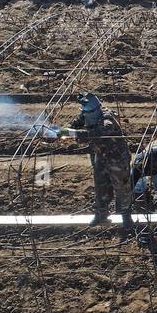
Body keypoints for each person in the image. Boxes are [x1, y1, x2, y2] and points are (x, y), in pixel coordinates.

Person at [57, 92, 133, 226]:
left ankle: (126, 216)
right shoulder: (86, 114)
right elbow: (76, 123)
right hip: (100, 156)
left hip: (116, 158)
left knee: (121, 186)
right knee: (100, 186)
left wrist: (73, 133)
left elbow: (97, 133)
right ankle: (101, 214)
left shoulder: (107, 119)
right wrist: (63, 130)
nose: (85, 114)